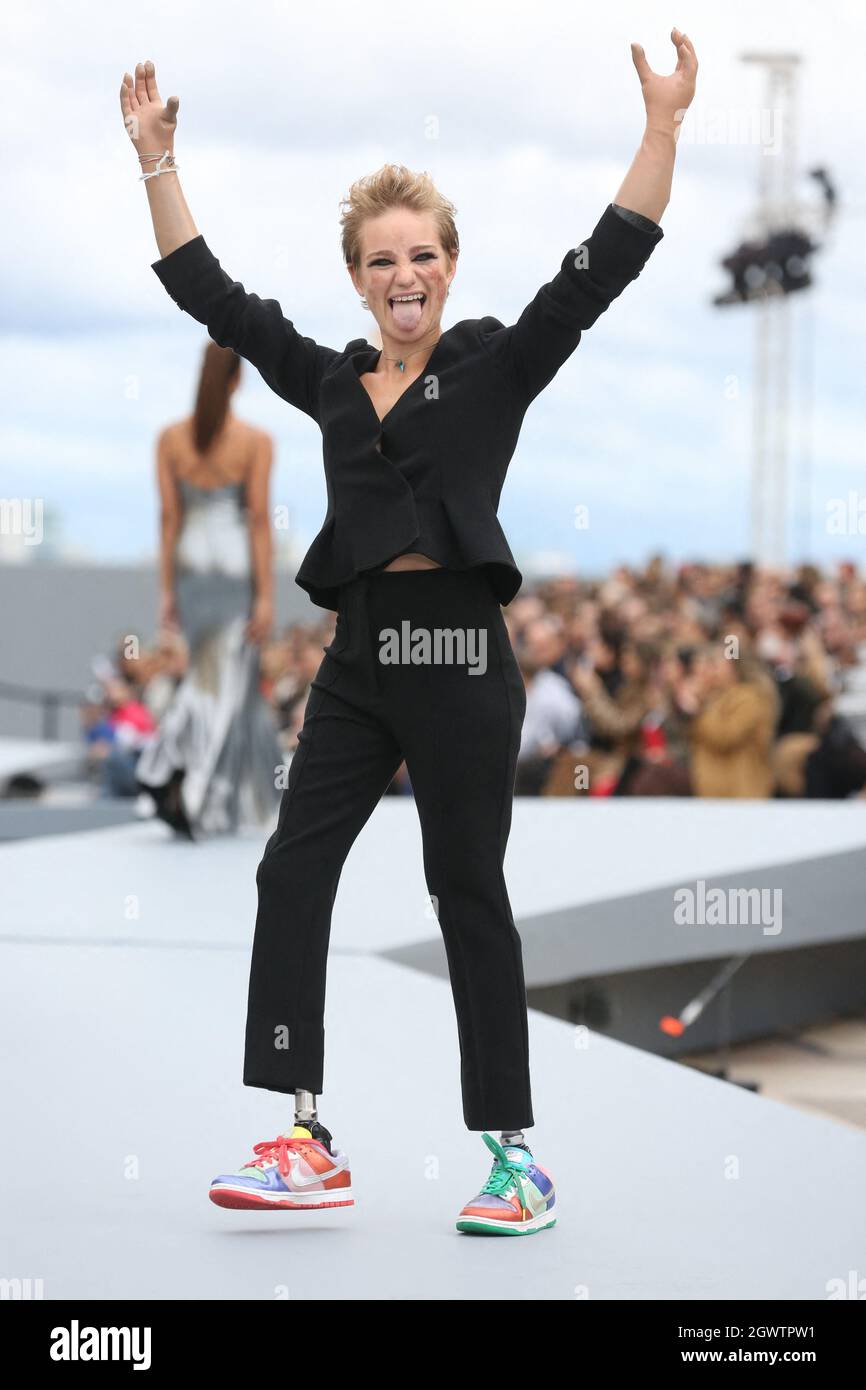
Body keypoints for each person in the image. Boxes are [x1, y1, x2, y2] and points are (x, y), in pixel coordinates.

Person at [119, 27, 696, 1235]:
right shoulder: (330, 382)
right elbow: (210, 296)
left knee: (462, 888)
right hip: (359, 655)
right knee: (289, 868)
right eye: (381, 259)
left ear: (448, 264)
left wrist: (660, 130)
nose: (404, 273)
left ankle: (513, 1159)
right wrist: (156, 165)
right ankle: (298, 1132)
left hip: (455, 655)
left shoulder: (489, 368)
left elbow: (602, 266)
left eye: (422, 254)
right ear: (358, 277)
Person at [133, 339, 284, 838]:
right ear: (238, 379)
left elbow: (167, 518)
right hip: (234, 565)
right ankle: (167, 773)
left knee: (212, 679)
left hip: (191, 565)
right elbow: (260, 519)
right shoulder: (256, 441)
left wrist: (166, 591)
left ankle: (208, 798)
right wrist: (265, 595)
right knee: (222, 682)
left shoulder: (169, 439)